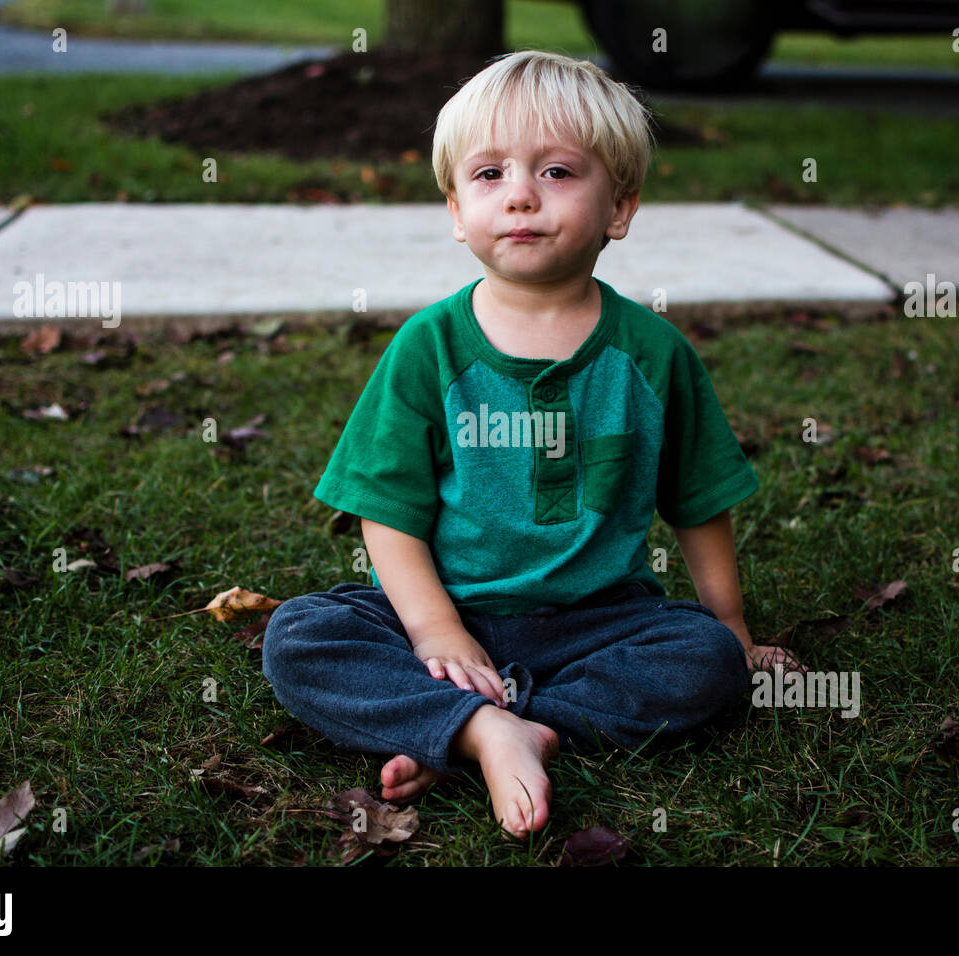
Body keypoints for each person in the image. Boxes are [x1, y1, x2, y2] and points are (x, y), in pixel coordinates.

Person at [262, 49, 803, 838]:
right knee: (302, 633)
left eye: (556, 172)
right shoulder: (428, 349)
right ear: (455, 211)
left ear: (619, 208)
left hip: (598, 621)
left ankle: (526, 730)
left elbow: (698, 499)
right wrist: (437, 631)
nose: (519, 194)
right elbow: (390, 513)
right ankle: (478, 727)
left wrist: (735, 628)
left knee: (704, 658)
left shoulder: (652, 354)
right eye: (489, 176)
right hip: (448, 618)